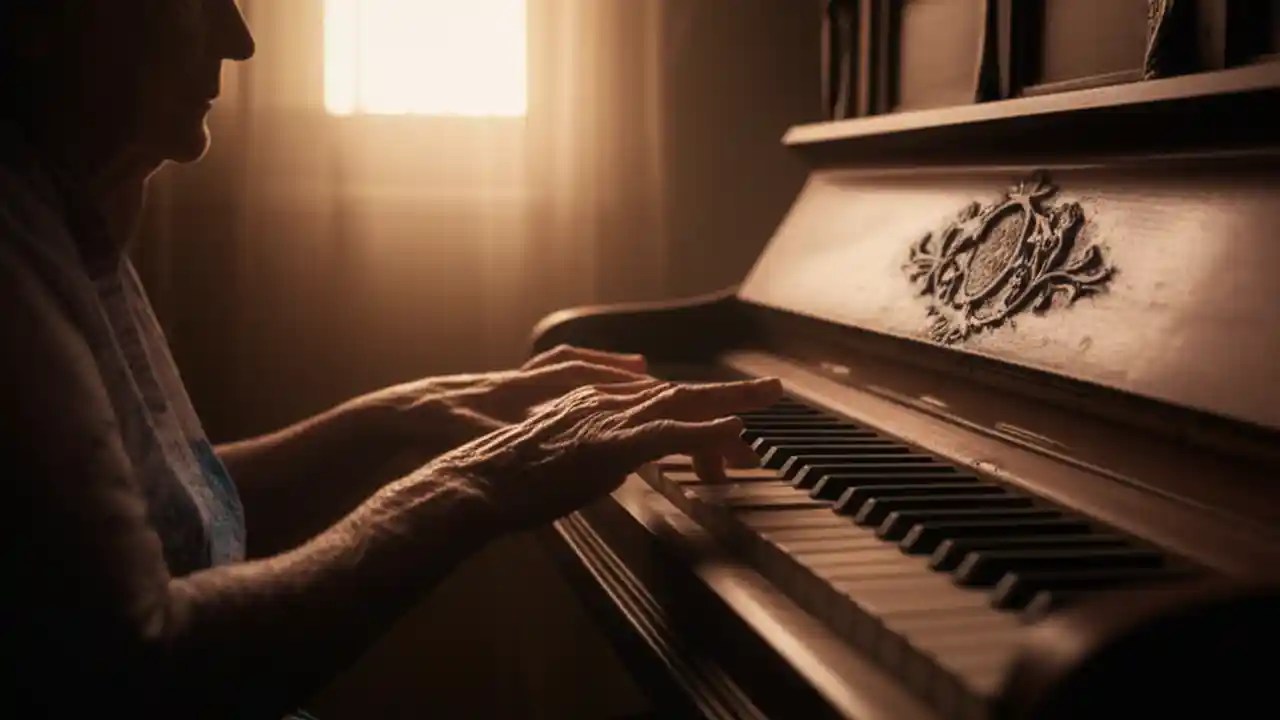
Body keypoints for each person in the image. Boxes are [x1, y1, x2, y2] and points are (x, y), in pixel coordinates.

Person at [0, 2, 782, 719]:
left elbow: (164, 517)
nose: (240, 40)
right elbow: (144, 667)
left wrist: (393, 420)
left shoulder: (56, 194)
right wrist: (472, 483)